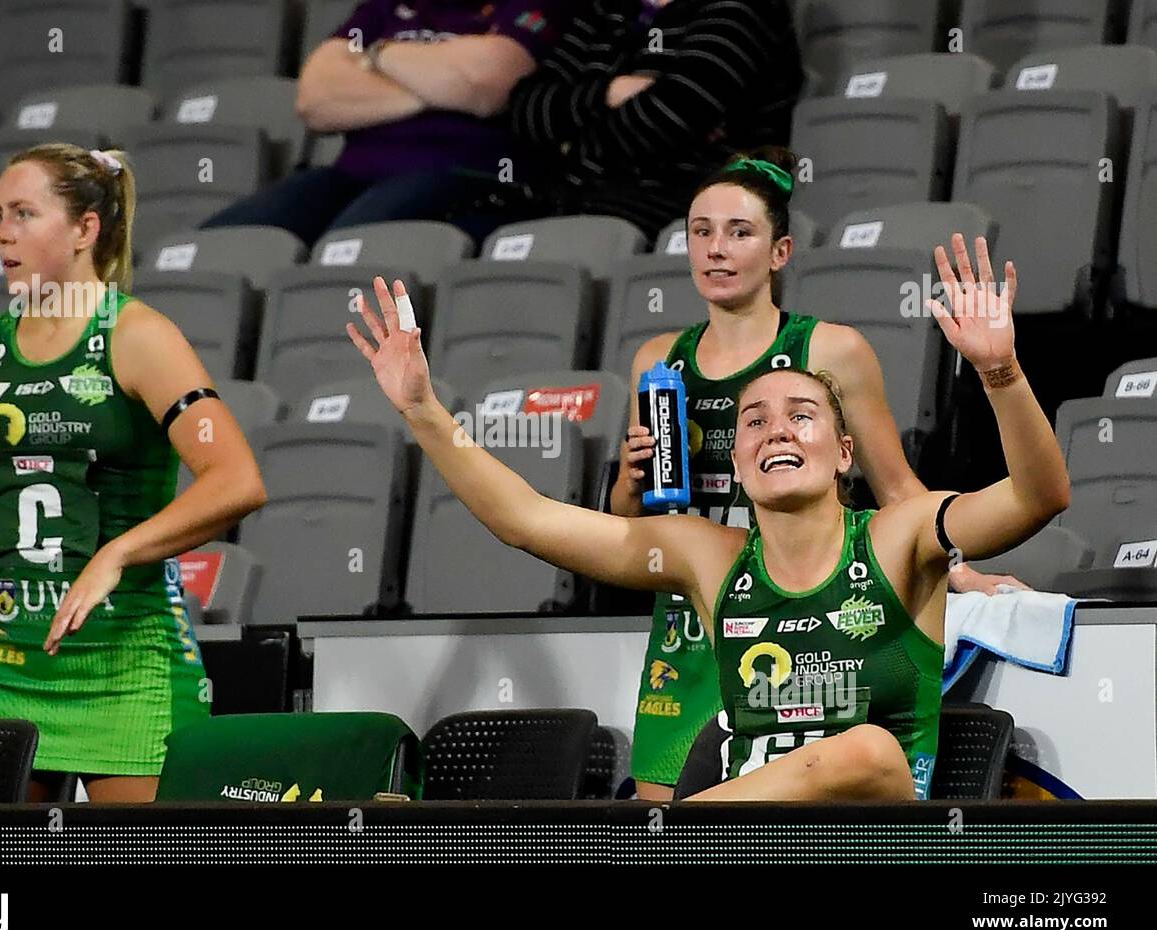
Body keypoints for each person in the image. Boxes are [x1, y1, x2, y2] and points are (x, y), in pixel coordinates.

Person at [346, 231, 1070, 800]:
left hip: (861, 840)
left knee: (869, 750)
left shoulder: (900, 535)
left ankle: (679, 830)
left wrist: (999, 372)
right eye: (754, 420)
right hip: (742, 843)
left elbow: (1039, 497)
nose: (776, 429)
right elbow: (528, 521)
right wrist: (424, 411)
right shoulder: (708, 558)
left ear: (845, 451)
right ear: (740, 458)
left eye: (801, 415)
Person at [611, 147, 1027, 799]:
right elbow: (632, 533)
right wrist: (627, 489)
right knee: (672, 833)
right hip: (690, 626)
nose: (716, 249)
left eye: (739, 232)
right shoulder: (657, 361)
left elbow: (897, 491)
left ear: (780, 252)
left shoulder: (831, 348)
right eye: (701, 232)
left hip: (792, 619)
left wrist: (959, 568)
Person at [0, 144, 268, 804]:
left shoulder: (141, 338)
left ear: (86, 230)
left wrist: (117, 553)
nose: (3, 232)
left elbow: (237, 482)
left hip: (125, 665)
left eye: (26, 214)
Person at [201, 0, 564, 245]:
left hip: (468, 175)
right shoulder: (387, 7)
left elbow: (485, 83)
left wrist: (376, 56)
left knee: (348, 248)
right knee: (211, 247)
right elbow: (316, 98)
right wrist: (441, 86)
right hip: (351, 176)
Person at [508, 0, 803, 237]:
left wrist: (572, 142)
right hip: (569, 203)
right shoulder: (608, 9)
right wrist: (609, 92)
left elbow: (669, 118)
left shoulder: (744, 7)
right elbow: (524, 110)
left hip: (687, 213)